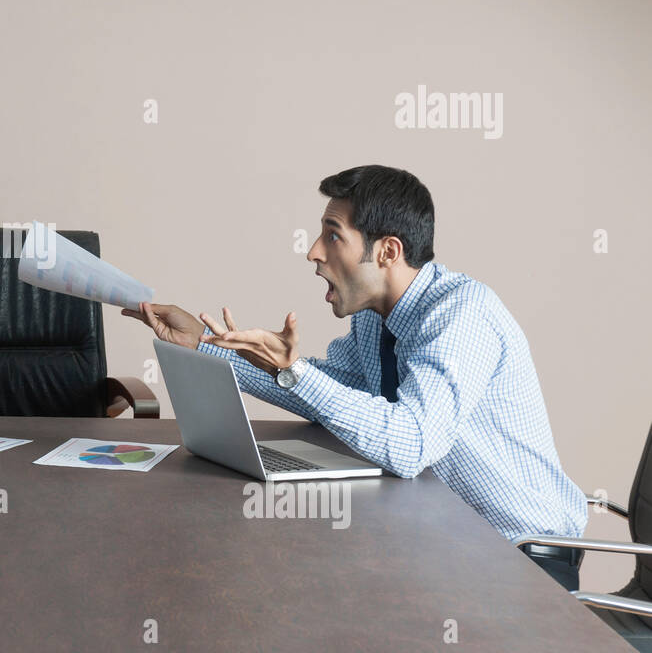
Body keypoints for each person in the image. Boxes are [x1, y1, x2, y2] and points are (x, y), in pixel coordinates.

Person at [125, 164, 588, 590]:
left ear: (387, 251)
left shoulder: (461, 315)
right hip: (447, 538)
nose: (312, 251)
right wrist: (204, 344)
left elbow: (410, 444)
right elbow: (325, 392)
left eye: (333, 235)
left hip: (523, 561)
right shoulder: (374, 318)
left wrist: (294, 370)